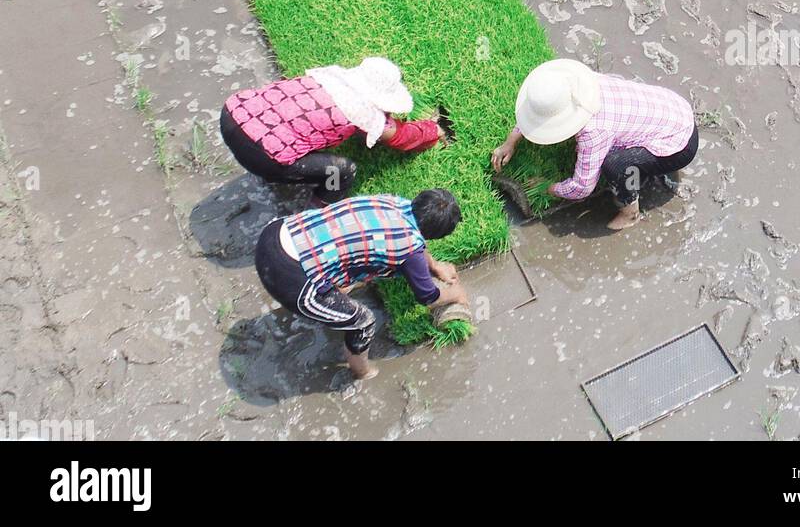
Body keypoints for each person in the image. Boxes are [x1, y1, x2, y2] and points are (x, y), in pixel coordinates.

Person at [255, 189, 467, 380]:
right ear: (436, 235)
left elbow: (415, 243)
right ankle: (362, 371)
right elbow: (428, 297)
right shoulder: (410, 250)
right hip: (287, 277)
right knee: (363, 321)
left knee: (344, 258)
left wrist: (434, 265)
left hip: (277, 233)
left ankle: (332, 289)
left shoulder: (394, 202)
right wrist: (455, 294)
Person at [491, 58, 698, 231]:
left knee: (616, 166)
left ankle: (631, 213)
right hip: (674, 106)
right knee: (609, 155)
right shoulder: (583, 83)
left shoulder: (593, 132)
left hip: (679, 146)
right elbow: (541, 112)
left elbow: (582, 187)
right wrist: (510, 141)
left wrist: (549, 189)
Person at [220, 57, 443, 201]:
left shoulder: (327, 81)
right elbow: (402, 138)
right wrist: (435, 130)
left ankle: (279, 175)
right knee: (342, 171)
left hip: (232, 114)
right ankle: (322, 207)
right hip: (264, 156)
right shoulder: (362, 113)